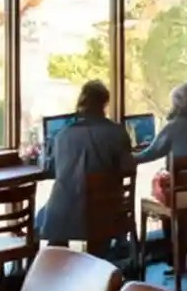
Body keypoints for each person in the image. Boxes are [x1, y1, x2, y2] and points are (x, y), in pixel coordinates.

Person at [36, 80, 135, 248]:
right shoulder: (117, 132)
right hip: (107, 211)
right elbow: (128, 168)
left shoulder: (62, 136)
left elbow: (52, 170)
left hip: (66, 213)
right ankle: (99, 264)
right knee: (94, 218)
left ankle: (46, 266)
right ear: (105, 103)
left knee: (46, 216)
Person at [134, 82, 187, 165]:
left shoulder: (174, 126)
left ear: (178, 104)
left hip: (179, 175)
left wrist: (131, 157)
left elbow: (153, 152)